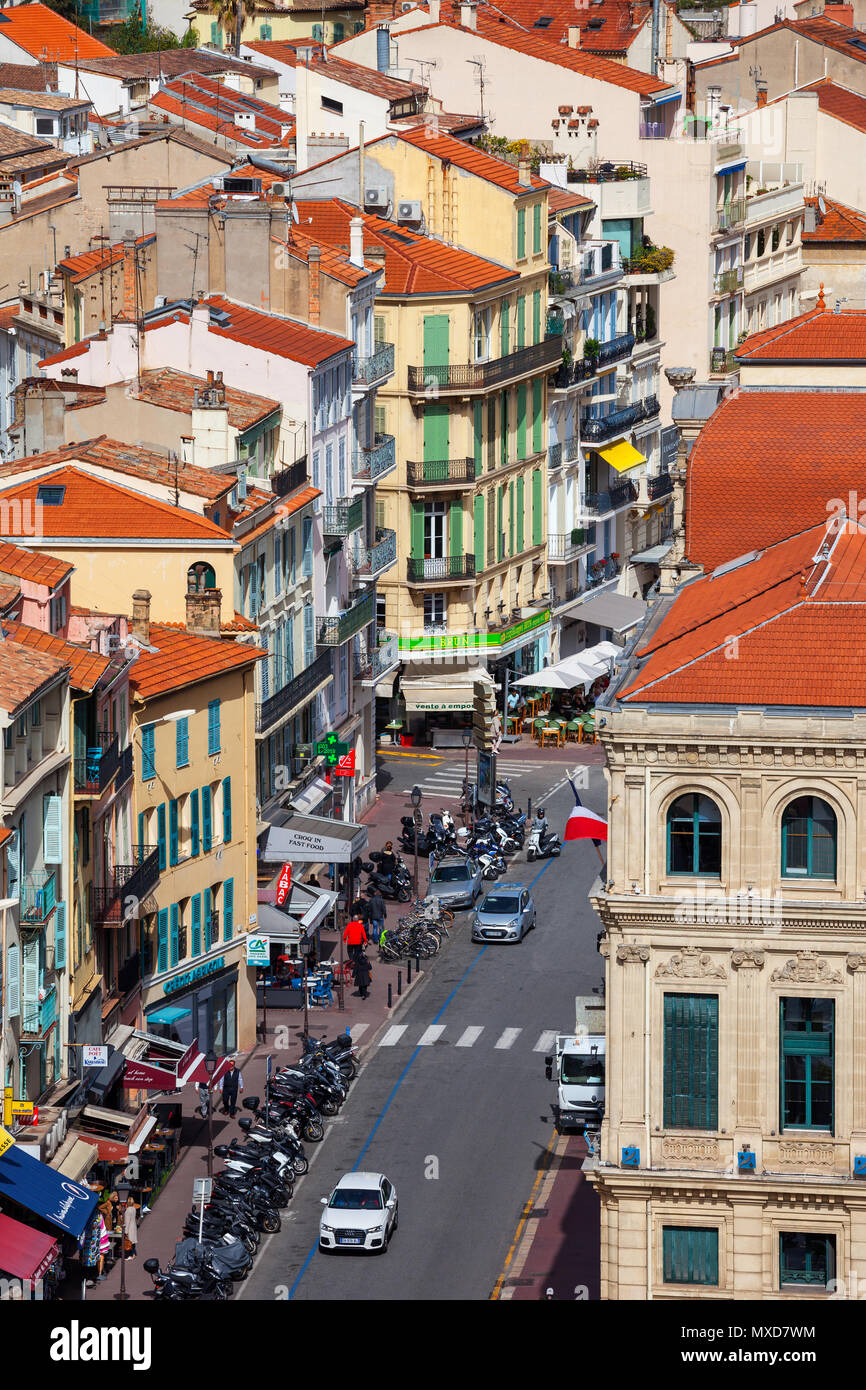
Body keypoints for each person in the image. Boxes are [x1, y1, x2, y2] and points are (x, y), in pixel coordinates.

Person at [122, 1195, 139, 1260]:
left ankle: (131, 1255)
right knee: (133, 1242)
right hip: (133, 1227)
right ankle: (133, 1254)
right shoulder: (133, 1208)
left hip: (130, 1228)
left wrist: (125, 1231)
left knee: (129, 1242)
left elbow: (127, 1222)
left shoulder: (127, 1211)